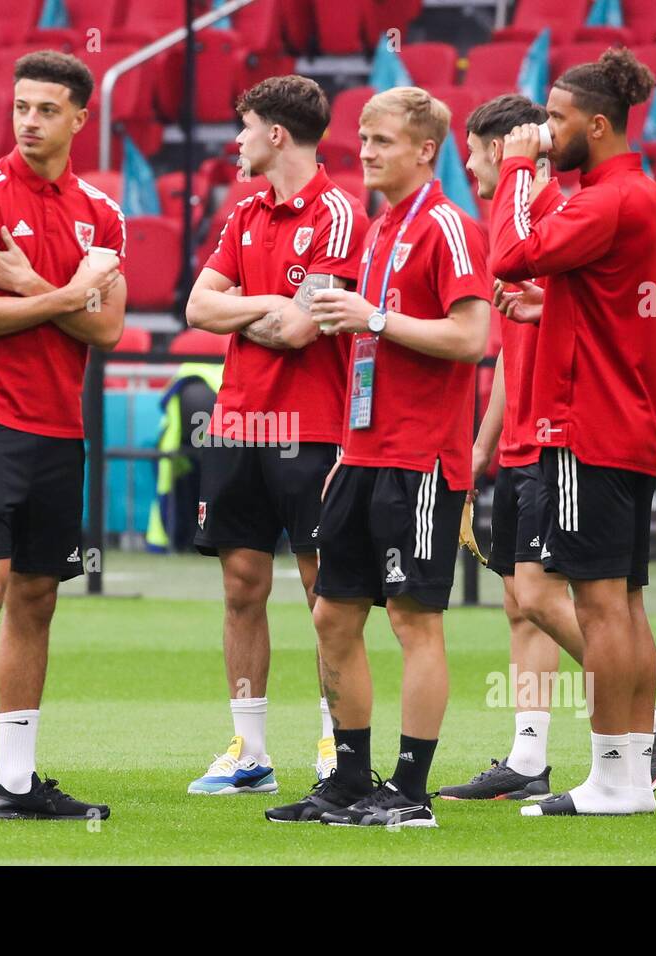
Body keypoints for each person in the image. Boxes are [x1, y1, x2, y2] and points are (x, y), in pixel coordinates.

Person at [442, 92, 656, 801]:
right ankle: (569, 762)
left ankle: (631, 754)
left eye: (555, 121)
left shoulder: (576, 207)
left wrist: (519, 171)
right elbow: (569, 326)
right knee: (574, 602)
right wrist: (483, 446)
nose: (545, 135)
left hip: (576, 430)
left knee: (583, 601)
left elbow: (515, 256)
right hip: (572, 430)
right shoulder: (615, 203)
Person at [264, 86, 491, 827]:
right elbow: (369, 347)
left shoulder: (449, 227)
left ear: (426, 150)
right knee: (333, 613)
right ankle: (350, 779)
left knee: (413, 619)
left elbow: (472, 338)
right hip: (363, 452)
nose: (364, 151)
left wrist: (378, 316)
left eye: (382, 140)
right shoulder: (378, 230)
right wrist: (348, 447)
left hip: (421, 460)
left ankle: (413, 791)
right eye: (361, 138)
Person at [0, 51, 125, 823]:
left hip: (57, 426)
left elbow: (107, 326)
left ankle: (18, 779)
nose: (29, 121)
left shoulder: (103, 213)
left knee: (38, 596)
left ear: (81, 117)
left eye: (47, 109)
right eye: (20, 107)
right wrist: (69, 294)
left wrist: (32, 287)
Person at [183, 75, 369, 795]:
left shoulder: (339, 214)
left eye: (245, 126)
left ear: (277, 135)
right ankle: (249, 750)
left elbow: (299, 332)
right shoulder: (243, 213)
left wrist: (249, 308)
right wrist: (270, 302)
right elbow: (200, 306)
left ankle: (334, 742)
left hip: (314, 430)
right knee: (240, 586)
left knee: (327, 590)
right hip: (237, 424)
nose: (237, 140)